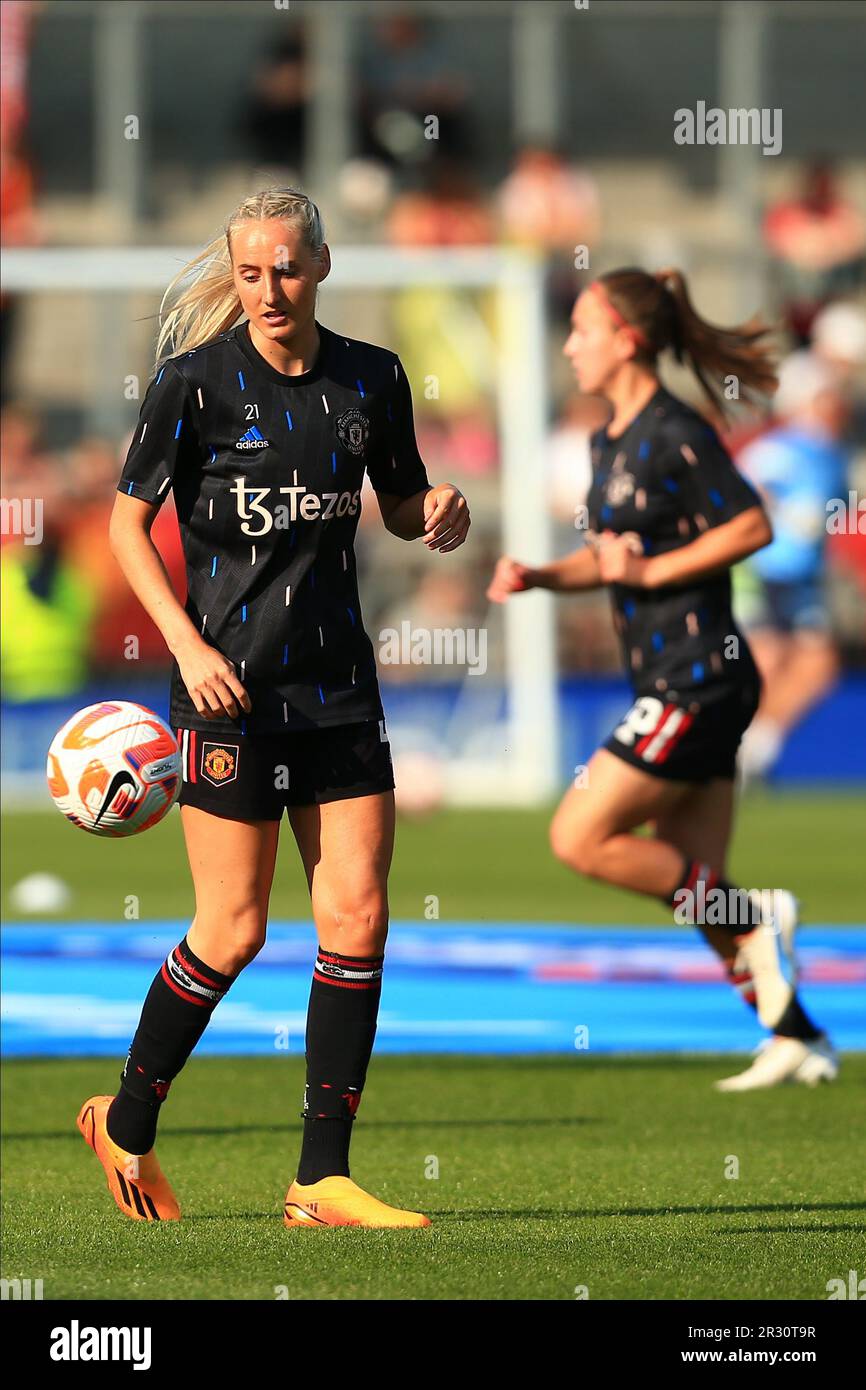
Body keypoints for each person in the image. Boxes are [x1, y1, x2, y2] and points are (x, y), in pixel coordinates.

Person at [76, 187, 470, 1228]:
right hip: (228, 692)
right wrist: (187, 645)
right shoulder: (191, 386)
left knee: (357, 915)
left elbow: (396, 500)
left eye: (286, 269)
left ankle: (319, 1177)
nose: (268, 289)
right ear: (234, 273)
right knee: (234, 926)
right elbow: (126, 530)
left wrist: (435, 509)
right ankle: (125, 1118)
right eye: (249, 272)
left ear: (322, 265)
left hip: (337, 687)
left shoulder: (372, 378)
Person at [488, 267, 838, 1091]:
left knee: (580, 836)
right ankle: (796, 1035)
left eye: (582, 326)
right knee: (695, 887)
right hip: (679, 676)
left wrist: (652, 576)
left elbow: (751, 523)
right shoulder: (609, 441)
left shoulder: (676, 430)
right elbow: (617, 562)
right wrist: (543, 576)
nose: (570, 343)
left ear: (627, 339)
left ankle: (760, 921)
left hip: (697, 676)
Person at [735, 351, 849, 783]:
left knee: (819, 664)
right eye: (826, 397)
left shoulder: (833, 455)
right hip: (760, 570)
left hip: (802, 579)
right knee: (766, 660)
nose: (836, 405)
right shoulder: (780, 449)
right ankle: (727, 754)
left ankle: (756, 748)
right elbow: (742, 496)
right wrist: (781, 515)